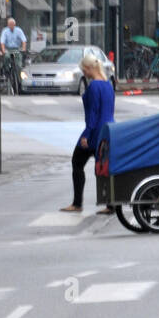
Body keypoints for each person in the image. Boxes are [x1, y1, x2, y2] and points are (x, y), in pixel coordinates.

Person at [61, 52, 115, 213]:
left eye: (84, 70)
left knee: (77, 163)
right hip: (109, 130)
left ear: (89, 68)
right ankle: (111, 204)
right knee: (105, 167)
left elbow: (93, 113)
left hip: (95, 131)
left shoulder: (93, 86)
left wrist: (87, 135)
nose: (83, 73)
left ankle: (77, 203)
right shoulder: (108, 85)